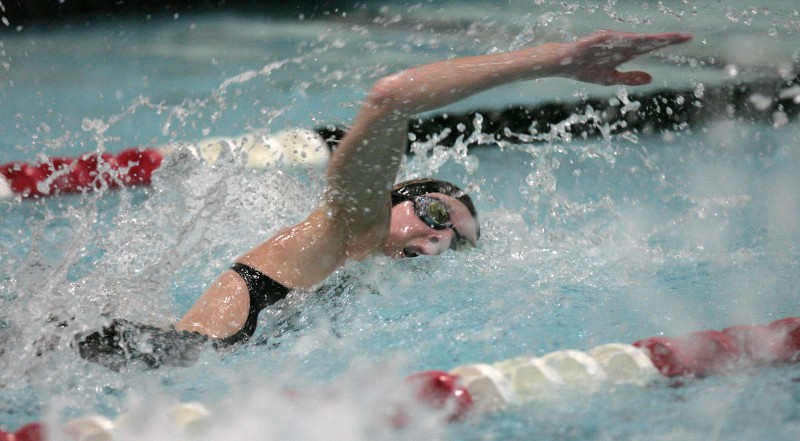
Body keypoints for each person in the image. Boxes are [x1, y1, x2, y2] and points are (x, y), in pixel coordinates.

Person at [77, 30, 692, 368]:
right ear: (394, 199)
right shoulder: (349, 228)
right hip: (144, 358)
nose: (441, 238)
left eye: (455, 242)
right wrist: (554, 60)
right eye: (434, 215)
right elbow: (392, 96)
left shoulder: (345, 277)